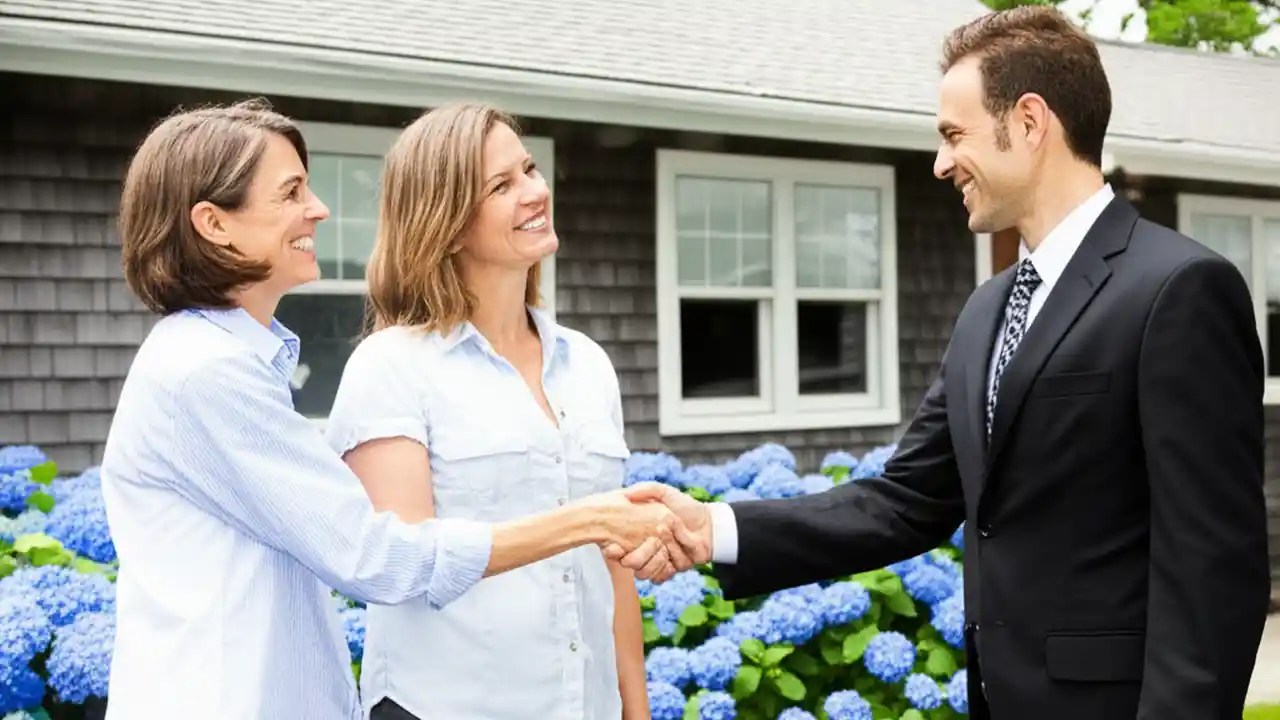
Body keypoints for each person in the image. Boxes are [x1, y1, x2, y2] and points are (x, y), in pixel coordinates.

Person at [616, 7, 1271, 720]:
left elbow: (1212, 570)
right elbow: (904, 500)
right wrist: (712, 529)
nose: (940, 163)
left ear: (1028, 122)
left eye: (954, 136)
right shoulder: (986, 311)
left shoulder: (1177, 290)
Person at [100, 99, 680, 720]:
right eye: (291, 191)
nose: (318, 208)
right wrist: (586, 521)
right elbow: (383, 558)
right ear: (215, 224)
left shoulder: (230, 365)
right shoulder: (205, 374)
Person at [322, 101, 671, 720]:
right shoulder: (391, 367)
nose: (535, 192)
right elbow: (405, 563)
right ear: (448, 224)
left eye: (530, 170)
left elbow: (609, 571)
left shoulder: (587, 365)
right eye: (501, 185)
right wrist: (586, 521)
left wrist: (634, 709)